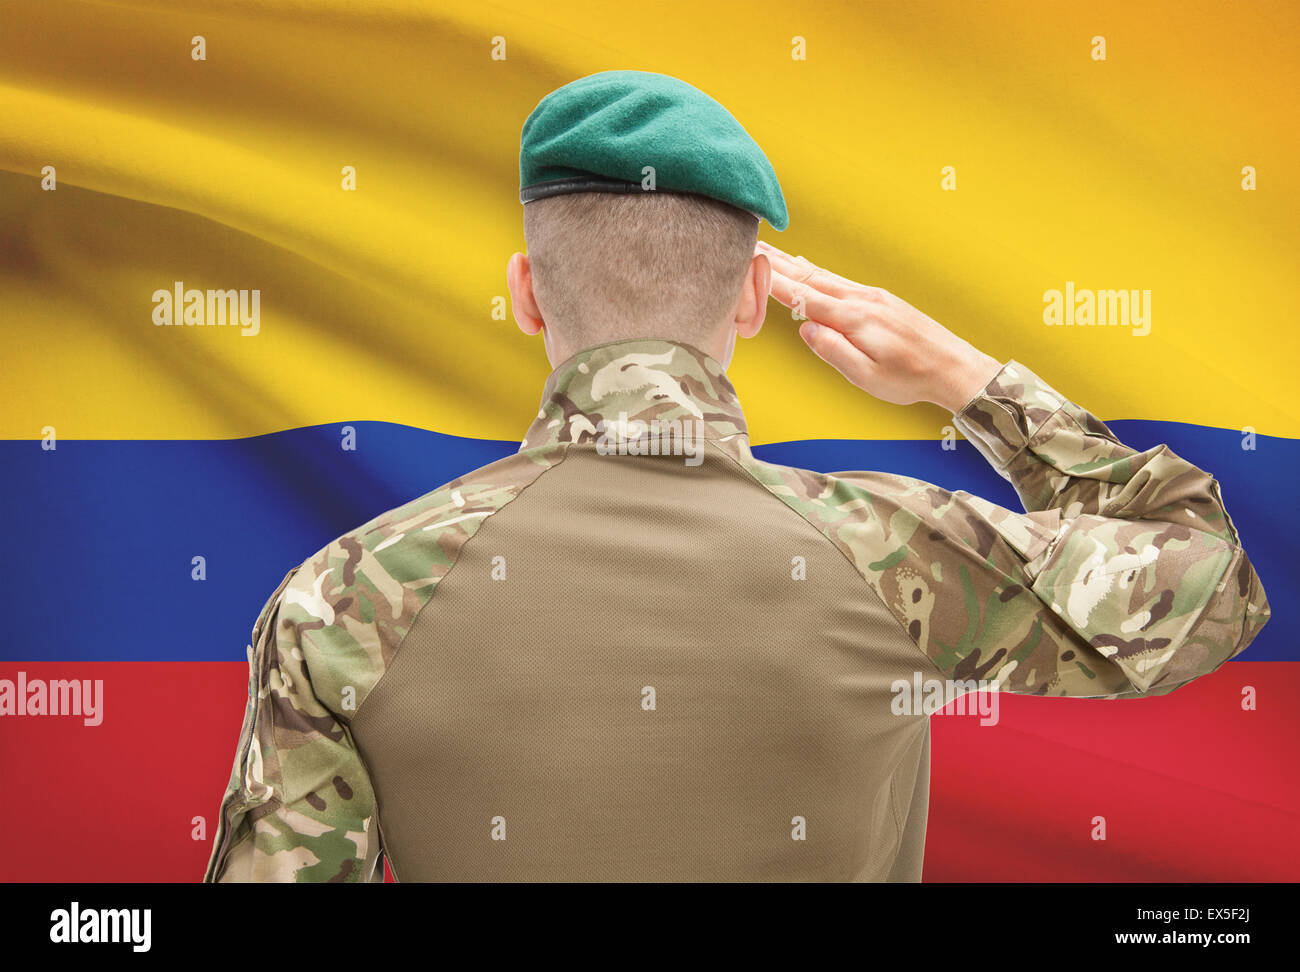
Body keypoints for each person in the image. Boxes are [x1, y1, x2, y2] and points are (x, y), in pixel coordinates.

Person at [204, 70, 1269, 882]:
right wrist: (970, 381)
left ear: (527, 294)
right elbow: (1211, 584)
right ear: (755, 297)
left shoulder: (338, 598)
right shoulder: (894, 554)